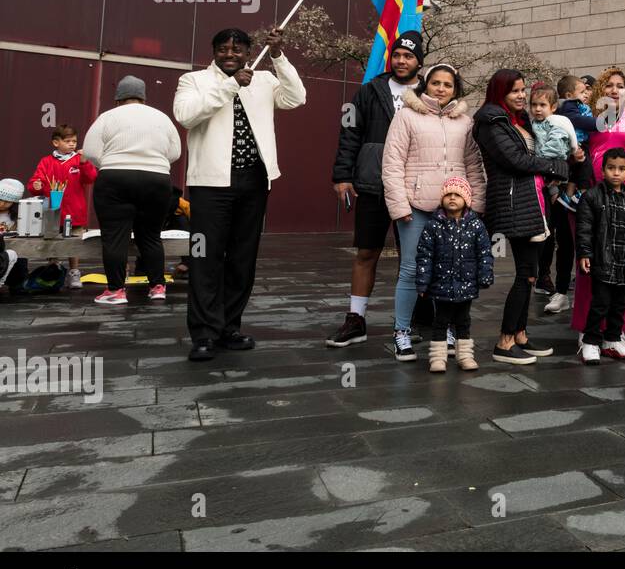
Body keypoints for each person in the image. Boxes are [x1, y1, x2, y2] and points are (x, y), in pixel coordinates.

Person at [173, 28, 306, 362]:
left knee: (242, 260)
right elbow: (187, 115)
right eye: (223, 49)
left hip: (253, 182)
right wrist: (232, 85)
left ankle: (229, 327)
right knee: (205, 259)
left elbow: (296, 97)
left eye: (237, 49)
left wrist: (278, 57)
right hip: (210, 184)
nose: (230, 54)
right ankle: (204, 333)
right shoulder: (194, 81)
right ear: (214, 51)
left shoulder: (262, 79)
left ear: (249, 51)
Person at [381, 63, 486, 363]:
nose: (441, 88)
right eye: (436, 83)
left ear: (456, 88)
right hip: (415, 208)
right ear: (424, 84)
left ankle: (447, 329)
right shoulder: (406, 116)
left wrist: (476, 206)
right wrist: (399, 206)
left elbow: (474, 166)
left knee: (450, 270)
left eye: (448, 84)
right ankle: (401, 330)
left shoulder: (465, 123)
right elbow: (392, 164)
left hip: (454, 210)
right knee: (412, 270)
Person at [327, 32, 424, 348]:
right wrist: (343, 175)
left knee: (413, 258)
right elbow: (349, 134)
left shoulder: (429, 93)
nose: (401, 60)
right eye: (396, 55)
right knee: (366, 252)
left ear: (419, 62)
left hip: (416, 188)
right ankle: (356, 320)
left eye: (408, 56)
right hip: (373, 184)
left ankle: (410, 324)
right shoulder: (370, 91)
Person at [473, 70, 569, 365]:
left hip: (534, 201)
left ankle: (520, 335)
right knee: (525, 273)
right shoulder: (490, 121)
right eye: (514, 90)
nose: (520, 95)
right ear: (499, 92)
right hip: (513, 203)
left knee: (532, 272)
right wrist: (557, 167)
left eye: (523, 90)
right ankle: (504, 342)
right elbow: (515, 161)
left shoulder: (520, 120)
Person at [80, 76, 181, 305]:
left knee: (115, 238)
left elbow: (91, 151)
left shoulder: (108, 117)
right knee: (151, 236)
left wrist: (112, 163)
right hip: (156, 179)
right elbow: (174, 152)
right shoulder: (161, 118)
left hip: (115, 178)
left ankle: (116, 291)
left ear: (118, 99)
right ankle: (157, 287)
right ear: (143, 97)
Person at [414, 176, 494, 373]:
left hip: (466, 284)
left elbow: (484, 252)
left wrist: (485, 275)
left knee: (463, 321)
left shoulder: (475, 225)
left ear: (466, 199)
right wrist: (422, 282)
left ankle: (465, 356)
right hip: (441, 285)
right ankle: (438, 358)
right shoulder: (433, 225)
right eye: (448, 194)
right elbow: (424, 255)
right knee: (440, 321)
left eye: (457, 195)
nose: (452, 198)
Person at [576, 147, 625, 363]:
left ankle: (613, 340)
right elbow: (584, 228)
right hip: (603, 261)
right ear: (603, 170)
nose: (616, 173)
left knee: (620, 304)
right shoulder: (592, 196)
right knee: (600, 304)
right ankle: (590, 342)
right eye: (611, 168)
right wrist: (585, 253)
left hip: (624, 262)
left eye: (621, 169)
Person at [27, 123, 97, 288]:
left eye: (74, 141)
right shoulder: (46, 162)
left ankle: (74, 272)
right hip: (53, 212)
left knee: (74, 245)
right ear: (56, 143)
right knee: (53, 243)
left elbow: (91, 178)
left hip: (75, 213)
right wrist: (35, 185)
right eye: (68, 141)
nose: (72, 144)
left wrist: (85, 163)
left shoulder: (79, 160)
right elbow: (35, 181)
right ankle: (54, 270)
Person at [532, 81, 583, 300]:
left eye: (542, 105)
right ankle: (542, 276)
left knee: (560, 235)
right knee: (547, 234)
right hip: (547, 180)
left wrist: (537, 160)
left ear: (553, 107)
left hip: (557, 180)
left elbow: (555, 149)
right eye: (533, 105)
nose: (537, 109)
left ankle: (558, 282)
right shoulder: (536, 123)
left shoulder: (556, 123)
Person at [0, 179, 31, 294]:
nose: (2, 204)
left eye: (6, 202)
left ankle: (17, 283)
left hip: (12, 247)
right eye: (0, 200)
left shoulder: (18, 215)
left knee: (19, 255)